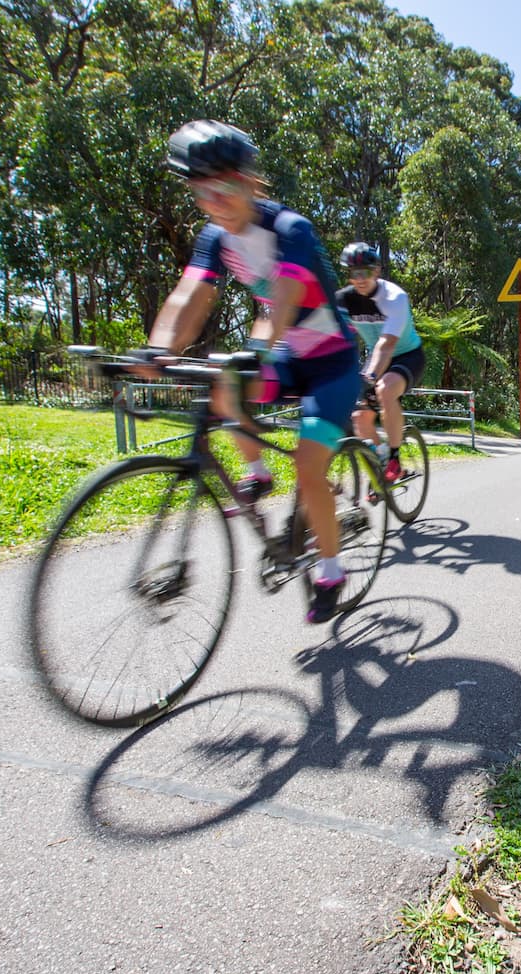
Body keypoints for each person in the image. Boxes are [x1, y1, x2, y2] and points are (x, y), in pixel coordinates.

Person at [145, 119, 362, 624]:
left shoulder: (290, 228)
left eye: (223, 186)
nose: (214, 200)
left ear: (248, 181)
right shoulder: (214, 238)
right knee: (223, 381)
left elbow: (285, 294)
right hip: (287, 352)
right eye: (200, 191)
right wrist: (156, 350)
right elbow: (190, 294)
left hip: (331, 361)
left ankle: (331, 570)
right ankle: (257, 472)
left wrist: (261, 351)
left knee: (309, 469)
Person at [336, 242, 425, 483]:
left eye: (365, 272)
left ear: (376, 271)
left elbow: (386, 346)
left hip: (406, 356)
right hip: (375, 360)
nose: (359, 279)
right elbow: (335, 339)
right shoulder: (344, 300)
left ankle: (395, 458)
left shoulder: (395, 297)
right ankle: (381, 464)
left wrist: (369, 378)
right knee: (359, 419)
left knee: (384, 390)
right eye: (354, 274)